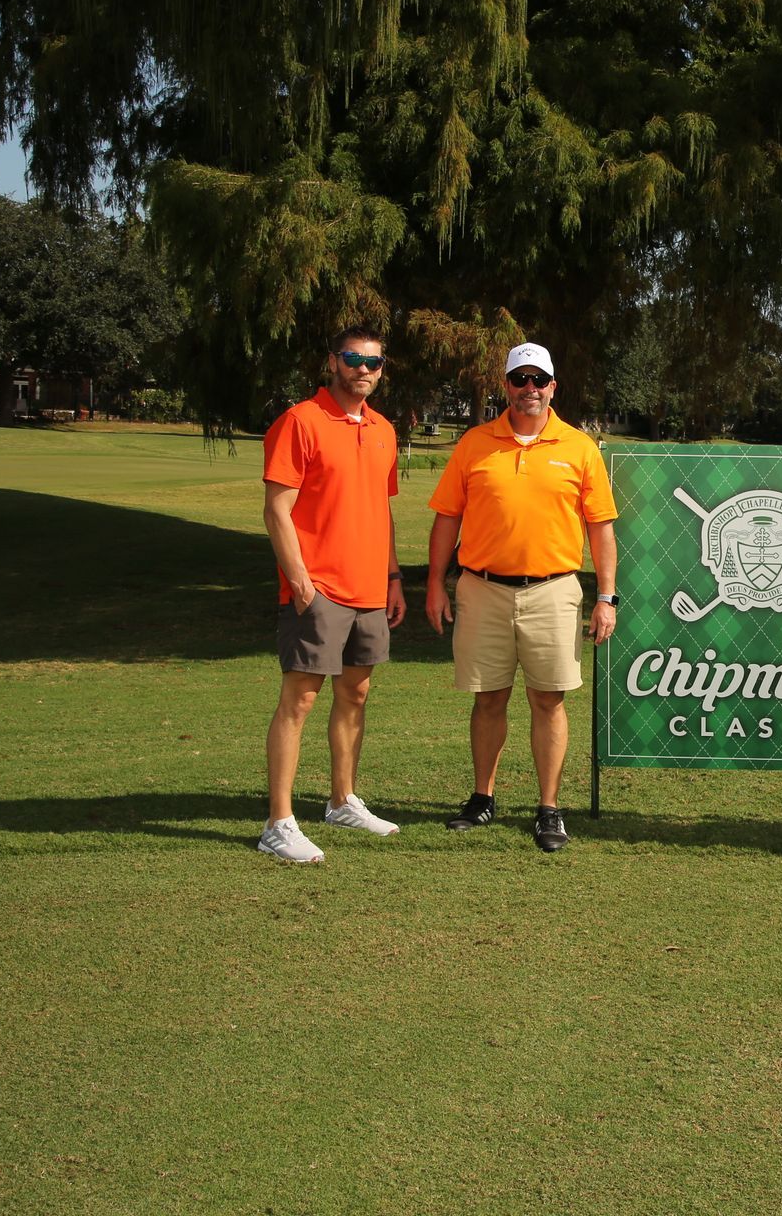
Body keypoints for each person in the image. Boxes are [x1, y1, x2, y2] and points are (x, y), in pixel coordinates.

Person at [424, 342, 618, 852]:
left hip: (554, 591)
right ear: (506, 386)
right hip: (482, 588)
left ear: (553, 386)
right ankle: (482, 798)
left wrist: (607, 597)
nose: (528, 389)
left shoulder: (579, 447)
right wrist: (433, 585)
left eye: (538, 380)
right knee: (488, 699)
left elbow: (600, 529)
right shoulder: (473, 444)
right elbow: (447, 519)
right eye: (519, 379)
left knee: (548, 700)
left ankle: (549, 809)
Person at [258, 326, 408, 863]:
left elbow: (381, 511)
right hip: (317, 588)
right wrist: (300, 582)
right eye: (352, 358)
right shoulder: (301, 421)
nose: (363, 369)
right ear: (333, 362)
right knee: (299, 699)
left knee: (356, 694)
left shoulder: (385, 430)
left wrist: (392, 578)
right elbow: (278, 508)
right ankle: (278, 823)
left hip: (369, 588)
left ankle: (342, 800)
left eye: (373, 362)